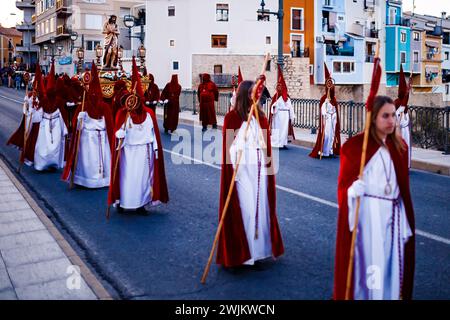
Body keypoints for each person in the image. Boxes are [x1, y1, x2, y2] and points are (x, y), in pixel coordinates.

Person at [333, 95, 415, 300]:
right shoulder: (356, 148)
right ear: (373, 118)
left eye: (393, 116)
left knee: (390, 265)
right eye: (385, 116)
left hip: (393, 218)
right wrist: (353, 191)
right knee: (373, 266)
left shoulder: (400, 147)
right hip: (370, 218)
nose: (391, 121)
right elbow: (344, 188)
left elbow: (402, 188)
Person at [217, 80, 284, 267]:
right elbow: (229, 150)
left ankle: (258, 252)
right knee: (246, 209)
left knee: (260, 208)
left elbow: (265, 146)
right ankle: (242, 254)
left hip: (259, 169)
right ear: (245, 96)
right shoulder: (232, 118)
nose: (257, 99)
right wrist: (241, 139)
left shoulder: (261, 118)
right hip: (242, 170)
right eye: (252, 95)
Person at [107, 57, 169, 214]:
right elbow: (118, 133)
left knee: (143, 179)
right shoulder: (123, 113)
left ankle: (142, 203)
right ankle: (123, 201)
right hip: (128, 152)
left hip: (144, 152)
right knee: (128, 178)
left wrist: (155, 148)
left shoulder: (149, 114)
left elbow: (153, 133)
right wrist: (119, 133)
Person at [62, 63, 114, 188]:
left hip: (100, 137)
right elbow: (76, 126)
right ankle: (84, 180)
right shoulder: (83, 105)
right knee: (87, 160)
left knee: (101, 160)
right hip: (87, 138)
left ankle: (104, 180)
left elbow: (110, 126)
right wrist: (80, 119)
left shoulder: (104, 107)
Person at [6, 65, 45, 166]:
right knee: (27, 136)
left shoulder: (41, 98)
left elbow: (42, 109)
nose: (35, 92)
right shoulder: (29, 95)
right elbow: (25, 107)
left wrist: (38, 111)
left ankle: (35, 156)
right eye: (35, 89)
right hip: (29, 119)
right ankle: (25, 154)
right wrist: (27, 110)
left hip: (38, 120)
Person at [33, 62, 68, 171]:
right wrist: (64, 129)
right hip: (56, 124)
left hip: (45, 125)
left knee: (44, 145)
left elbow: (37, 115)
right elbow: (63, 115)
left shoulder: (44, 100)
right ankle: (53, 163)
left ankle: (42, 164)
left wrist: (32, 111)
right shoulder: (59, 101)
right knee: (55, 145)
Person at [309, 63, 341, 158]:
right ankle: (323, 151)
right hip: (326, 119)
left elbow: (335, 109)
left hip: (332, 118)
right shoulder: (323, 98)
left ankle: (330, 150)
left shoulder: (334, 99)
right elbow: (322, 110)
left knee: (332, 135)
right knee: (326, 135)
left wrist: (334, 115)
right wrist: (325, 107)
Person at [269, 66, 295, 149]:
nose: (279, 88)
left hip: (285, 115)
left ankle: (283, 143)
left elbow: (290, 107)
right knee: (277, 129)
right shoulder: (275, 97)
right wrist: (274, 107)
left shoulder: (287, 97)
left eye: (281, 87)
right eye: (278, 87)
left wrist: (292, 116)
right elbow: (272, 107)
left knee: (284, 130)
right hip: (278, 115)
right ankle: (276, 143)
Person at [395, 65, 412, 168]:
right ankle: (402, 165)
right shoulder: (399, 104)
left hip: (402, 128)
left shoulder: (399, 103)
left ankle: (403, 165)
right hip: (401, 129)